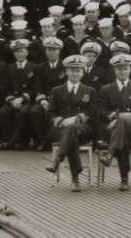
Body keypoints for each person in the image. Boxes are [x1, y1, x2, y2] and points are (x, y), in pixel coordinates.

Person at [45, 54, 95, 192]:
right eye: (72, 70)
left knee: (72, 129)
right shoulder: (57, 90)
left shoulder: (89, 91)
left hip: (83, 129)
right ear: (66, 72)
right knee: (71, 136)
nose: (75, 73)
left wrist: (76, 118)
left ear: (83, 72)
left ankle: (57, 161)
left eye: (78, 70)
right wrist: (61, 121)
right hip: (61, 128)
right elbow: (50, 113)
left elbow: (93, 113)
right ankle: (75, 179)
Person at [97, 53, 131, 190]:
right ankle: (124, 179)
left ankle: (110, 154)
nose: (122, 71)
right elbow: (101, 110)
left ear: (130, 70)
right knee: (122, 132)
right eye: (119, 69)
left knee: (123, 125)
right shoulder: (106, 89)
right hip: (112, 127)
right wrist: (115, 116)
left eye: (125, 68)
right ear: (114, 71)